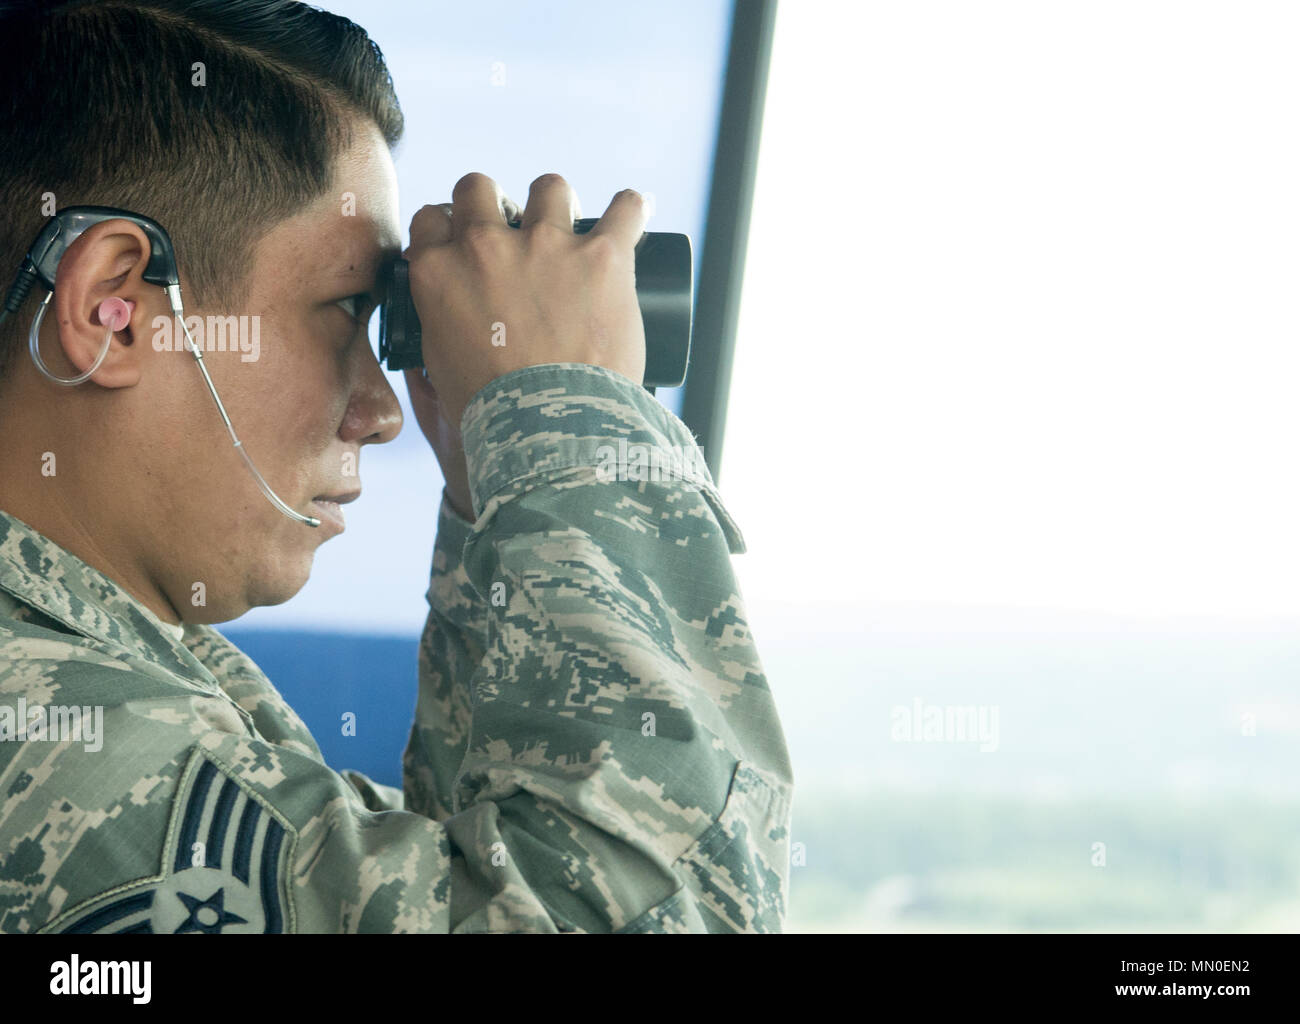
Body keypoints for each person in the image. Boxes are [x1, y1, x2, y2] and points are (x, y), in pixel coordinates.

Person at [0, 0, 792, 933]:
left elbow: (432, 878)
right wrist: (565, 421)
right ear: (114, 306)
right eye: (345, 309)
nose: (380, 414)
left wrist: (502, 495)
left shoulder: (117, 671)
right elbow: (675, 914)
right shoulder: (55, 739)